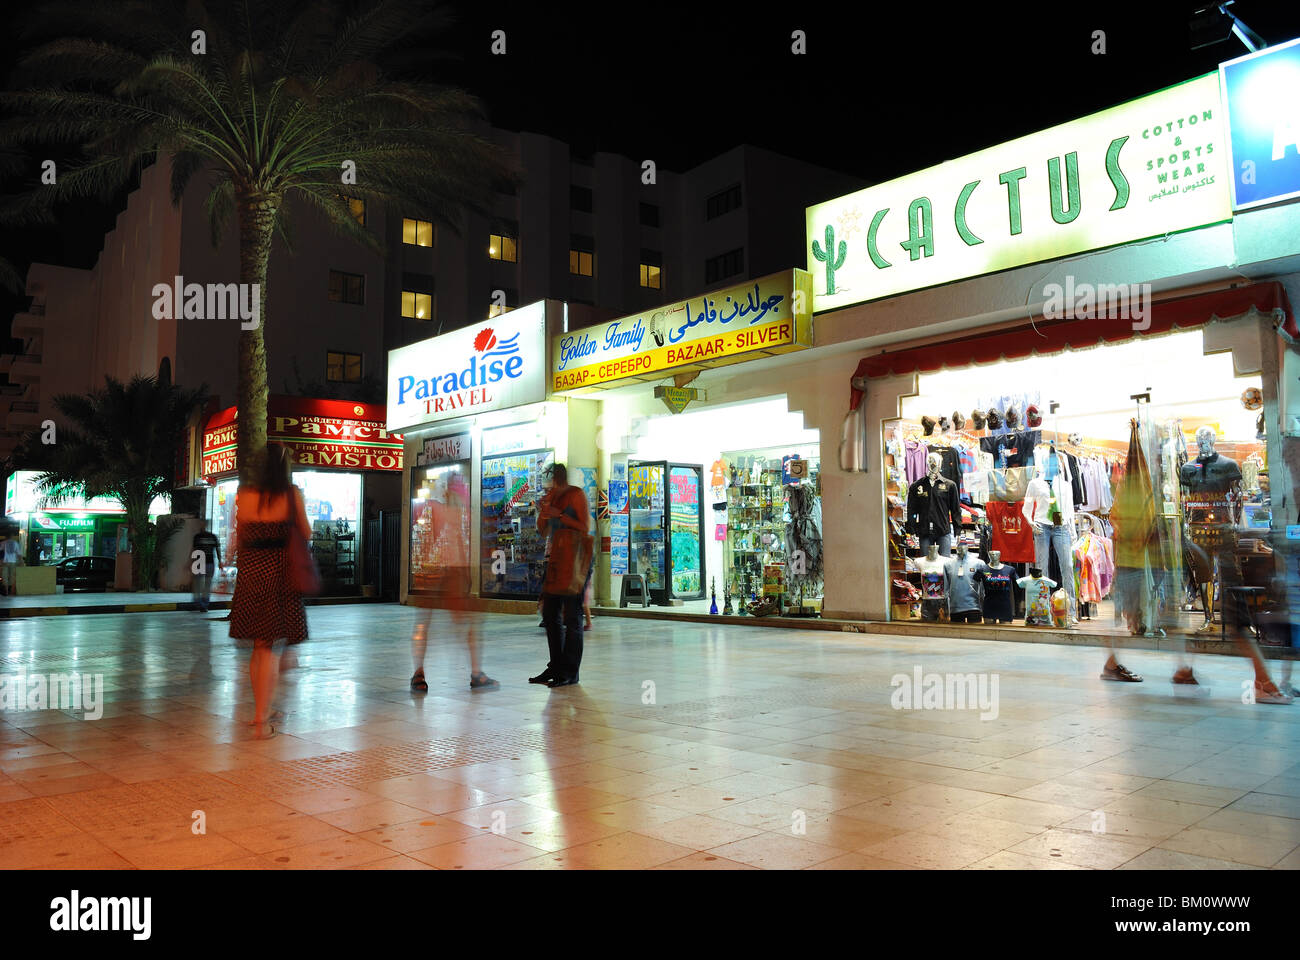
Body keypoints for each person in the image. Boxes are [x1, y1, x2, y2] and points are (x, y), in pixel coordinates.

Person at [228, 443, 312, 738]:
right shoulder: (292, 495)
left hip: (252, 574)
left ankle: (258, 712)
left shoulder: (246, 495)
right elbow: (307, 531)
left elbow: (237, 537)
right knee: (272, 646)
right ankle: (263, 714)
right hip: (279, 573)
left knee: (258, 647)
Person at [409, 474, 497, 692]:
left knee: (449, 621)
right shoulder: (442, 511)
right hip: (442, 571)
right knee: (458, 621)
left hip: (447, 571)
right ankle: (473, 672)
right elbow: (428, 541)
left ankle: (423, 673)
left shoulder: (454, 512)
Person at [531, 463, 590, 687]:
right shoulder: (551, 498)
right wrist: (543, 513)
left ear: (557, 478)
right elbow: (543, 531)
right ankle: (555, 665)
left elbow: (584, 526)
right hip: (555, 559)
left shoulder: (575, 494)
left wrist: (561, 514)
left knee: (572, 616)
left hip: (574, 559)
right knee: (550, 613)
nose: (547, 487)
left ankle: (570, 671)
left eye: (549, 481)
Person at [191, 522, 223, 613]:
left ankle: (199, 603)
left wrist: (192, 562)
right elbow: (217, 550)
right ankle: (203, 604)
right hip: (207, 563)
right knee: (205, 584)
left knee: (199, 583)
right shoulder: (212, 537)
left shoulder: (197, 537)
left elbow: (194, 550)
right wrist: (220, 562)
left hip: (200, 562)